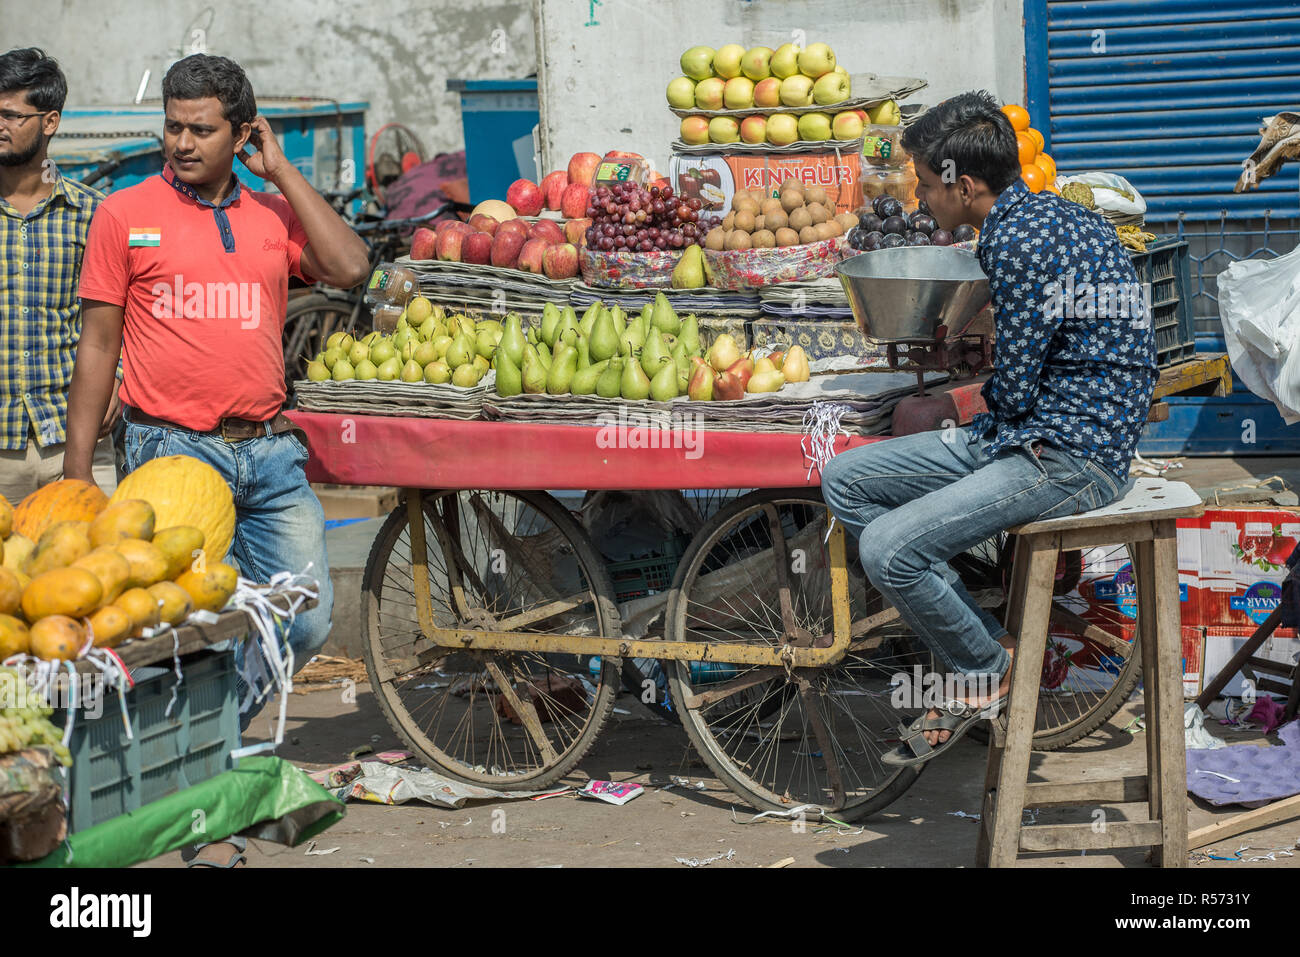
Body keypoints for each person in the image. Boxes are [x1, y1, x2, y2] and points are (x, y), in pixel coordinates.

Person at [64, 54, 369, 866]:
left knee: (301, 620)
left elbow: (351, 268)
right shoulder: (124, 214)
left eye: (203, 129)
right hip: (171, 449)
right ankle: (192, 765)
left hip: (267, 453)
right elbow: (97, 343)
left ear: (243, 132)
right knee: (188, 627)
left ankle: (210, 742)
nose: (183, 142)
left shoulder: (274, 214)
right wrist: (75, 468)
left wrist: (285, 172)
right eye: (173, 125)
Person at [821, 91, 1157, 767]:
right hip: (1021, 434)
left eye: (924, 185)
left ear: (964, 185)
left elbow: (1018, 382)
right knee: (843, 478)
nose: (919, 201)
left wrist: (961, 387)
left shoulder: (1015, 241)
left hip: (1068, 457)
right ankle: (964, 608)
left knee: (887, 549)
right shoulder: (1046, 214)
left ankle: (982, 664)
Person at [0, 48, 118, 503]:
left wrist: (120, 379)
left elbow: (128, 313)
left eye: (11, 114)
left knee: (94, 571)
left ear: (50, 122)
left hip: (76, 444)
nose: (0, 124)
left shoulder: (96, 214)